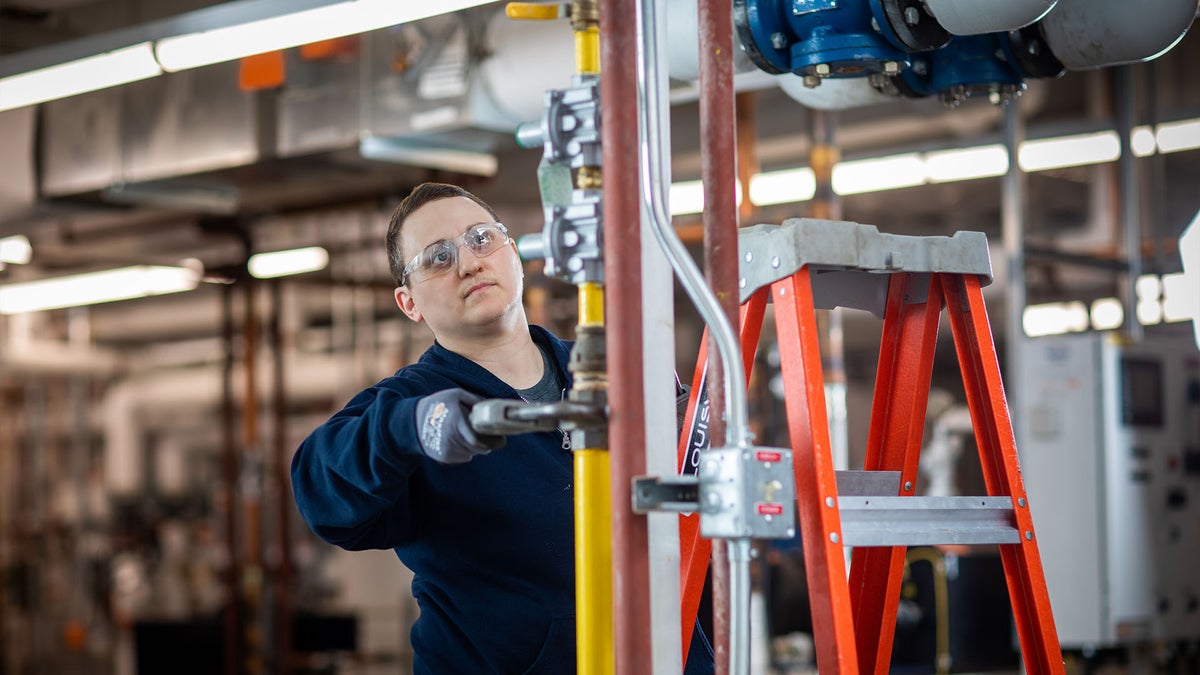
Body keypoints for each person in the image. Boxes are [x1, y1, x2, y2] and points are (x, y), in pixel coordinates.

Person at [291, 182, 715, 674]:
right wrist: (412, 429)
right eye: (437, 258)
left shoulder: (609, 372)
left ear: (514, 253)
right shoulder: (411, 403)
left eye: (480, 238)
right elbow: (320, 489)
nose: (469, 263)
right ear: (409, 304)